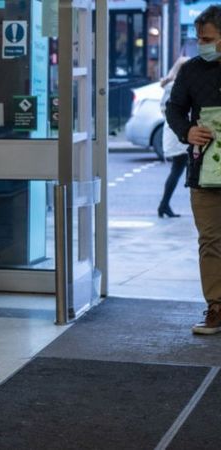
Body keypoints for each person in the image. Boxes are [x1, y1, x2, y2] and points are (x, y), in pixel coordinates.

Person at [166, 5, 221, 335]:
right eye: (199, 38)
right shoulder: (190, 70)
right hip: (204, 171)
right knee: (211, 241)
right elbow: (174, 109)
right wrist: (186, 131)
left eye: (208, 38)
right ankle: (216, 307)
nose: (201, 43)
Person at [158, 57, 190, 218]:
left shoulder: (174, 85)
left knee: (179, 170)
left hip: (177, 134)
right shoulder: (174, 87)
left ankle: (164, 205)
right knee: (179, 170)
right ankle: (164, 205)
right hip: (178, 135)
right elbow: (169, 111)